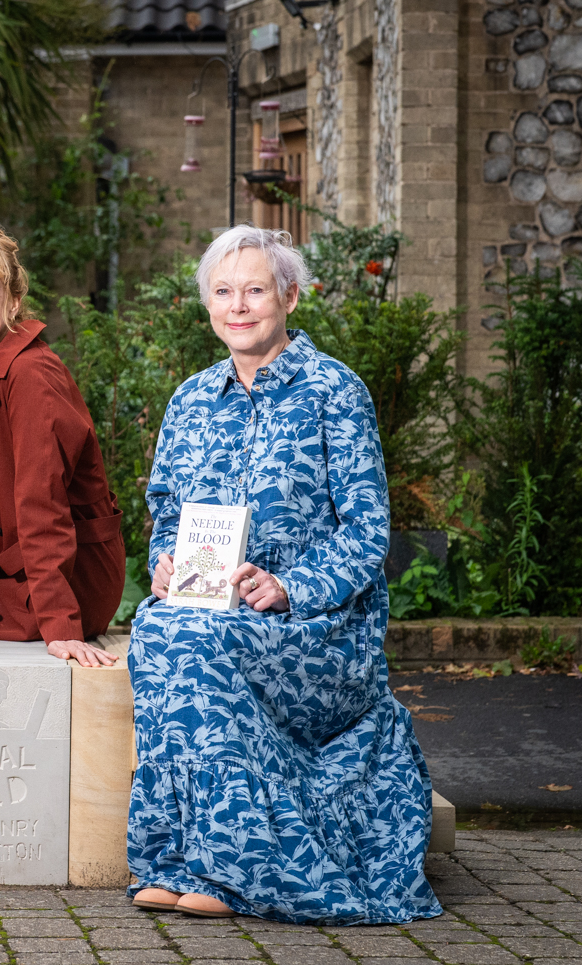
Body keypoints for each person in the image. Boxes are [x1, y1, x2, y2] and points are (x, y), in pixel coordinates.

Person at [128, 225, 441, 924]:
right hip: (212, 608)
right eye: (223, 291)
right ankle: (169, 860)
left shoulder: (336, 392)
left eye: (255, 290)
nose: (238, 306)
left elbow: (368, 532)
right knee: (158, 628)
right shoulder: (191, 400)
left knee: (198, 645)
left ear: (289, 297)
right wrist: (164, 563)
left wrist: (290, 587)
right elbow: (167, 510)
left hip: (320, 636)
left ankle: (227, 870)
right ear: (207, 302)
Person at [0, 220, 125, 664]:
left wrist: (60, 626)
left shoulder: (30, 374)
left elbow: (43, 501)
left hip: (71, 580)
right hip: (23, 563)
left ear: (13, 300)